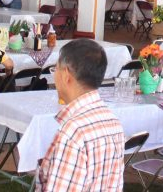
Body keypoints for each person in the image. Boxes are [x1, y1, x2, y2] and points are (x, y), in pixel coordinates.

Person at [38, 39, 124, 191]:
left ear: (66, 75)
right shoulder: (113, 121)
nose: (55, 76)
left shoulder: (73, 131)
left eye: (55, 69)